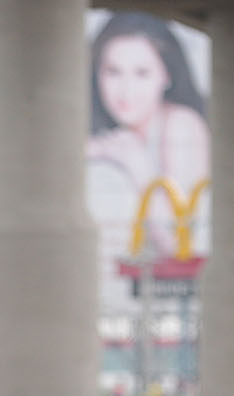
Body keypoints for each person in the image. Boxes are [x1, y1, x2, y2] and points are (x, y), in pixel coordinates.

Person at [86, 13, 210, 265]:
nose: (126, 90)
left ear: (167, 75)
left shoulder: (181, 124)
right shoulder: (112, 133)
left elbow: (177, 244)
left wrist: (137, 164)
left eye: (141, 73)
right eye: (113, 72)